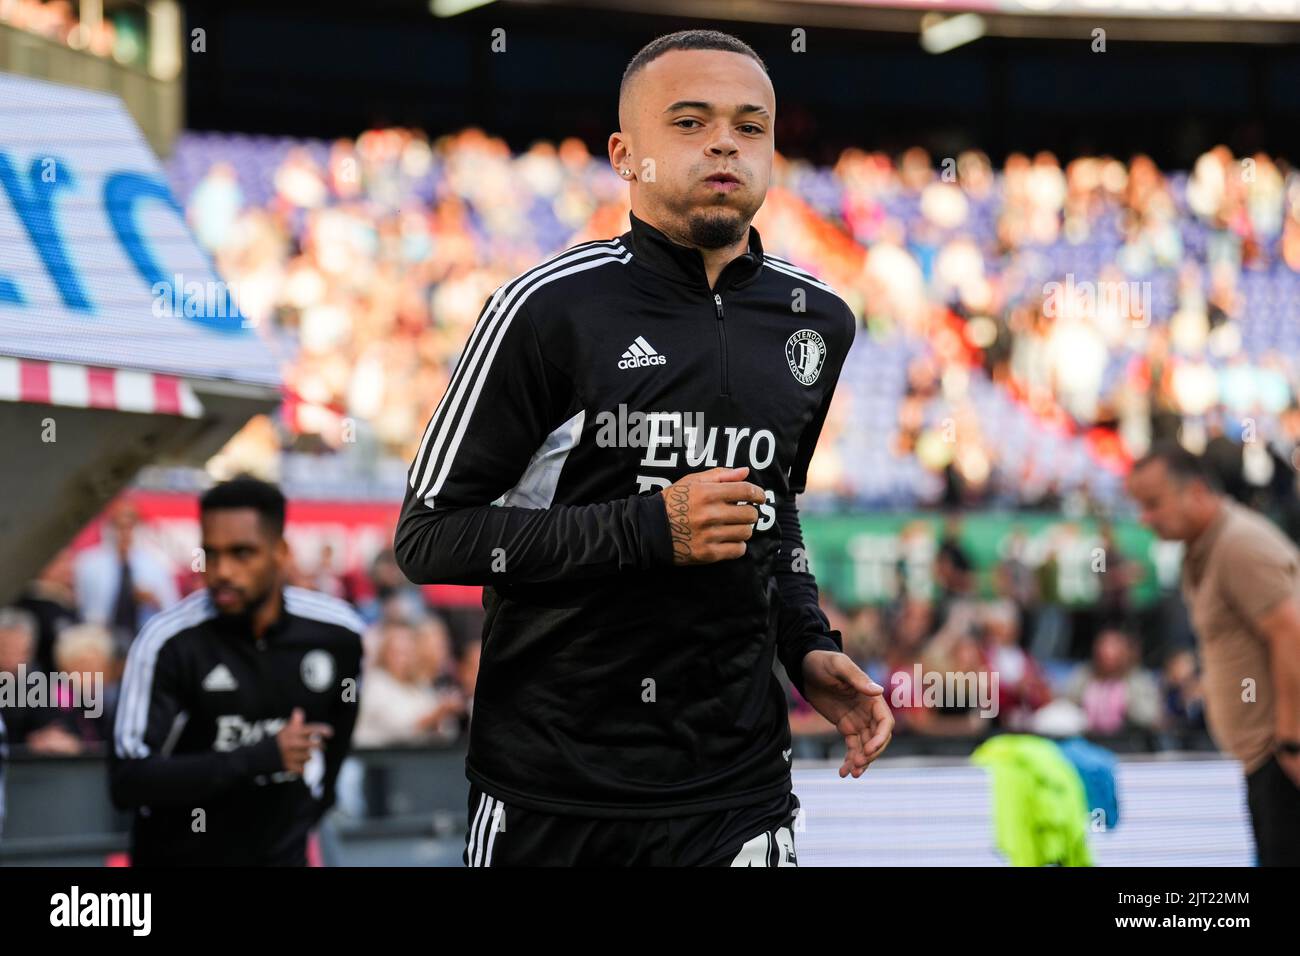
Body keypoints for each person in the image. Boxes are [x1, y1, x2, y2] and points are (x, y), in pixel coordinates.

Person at [394, 29, 892, 867]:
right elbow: (429, 536)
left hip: (739, 794)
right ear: (627, 155)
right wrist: (648, 528)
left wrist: (807, 642)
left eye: (749, 125)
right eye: (690, 123)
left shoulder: (820, 322)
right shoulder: (546, 309)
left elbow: (774, 516)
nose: (725, 142)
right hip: (556, 796)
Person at [108, 477, 364, 866]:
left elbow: (338, 738)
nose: (223, 571)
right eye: (212, 554)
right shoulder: (168, 642)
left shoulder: (338, 634)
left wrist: (309, 807)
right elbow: (127, 781)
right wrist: (258, 758)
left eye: (242, 553)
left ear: (280, 552)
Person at [1127, 441, 1300, 866]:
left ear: (1197, 492)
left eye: (1153, 503)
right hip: (1265, 759)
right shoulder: (1206, 547)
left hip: (1281, 759)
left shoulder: (1238, 545)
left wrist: (1292, 742)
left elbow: (1292, 633)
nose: (1144, 518)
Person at [74, 500, 179, 652]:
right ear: (108, 528)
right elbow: (79, 605)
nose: (124, 533)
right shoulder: (88, 563)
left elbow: (171, 609)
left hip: (142, 640)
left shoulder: (156, 566)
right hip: (99, 643)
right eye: (119, 526)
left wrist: (153, 600)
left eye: (130, 526)